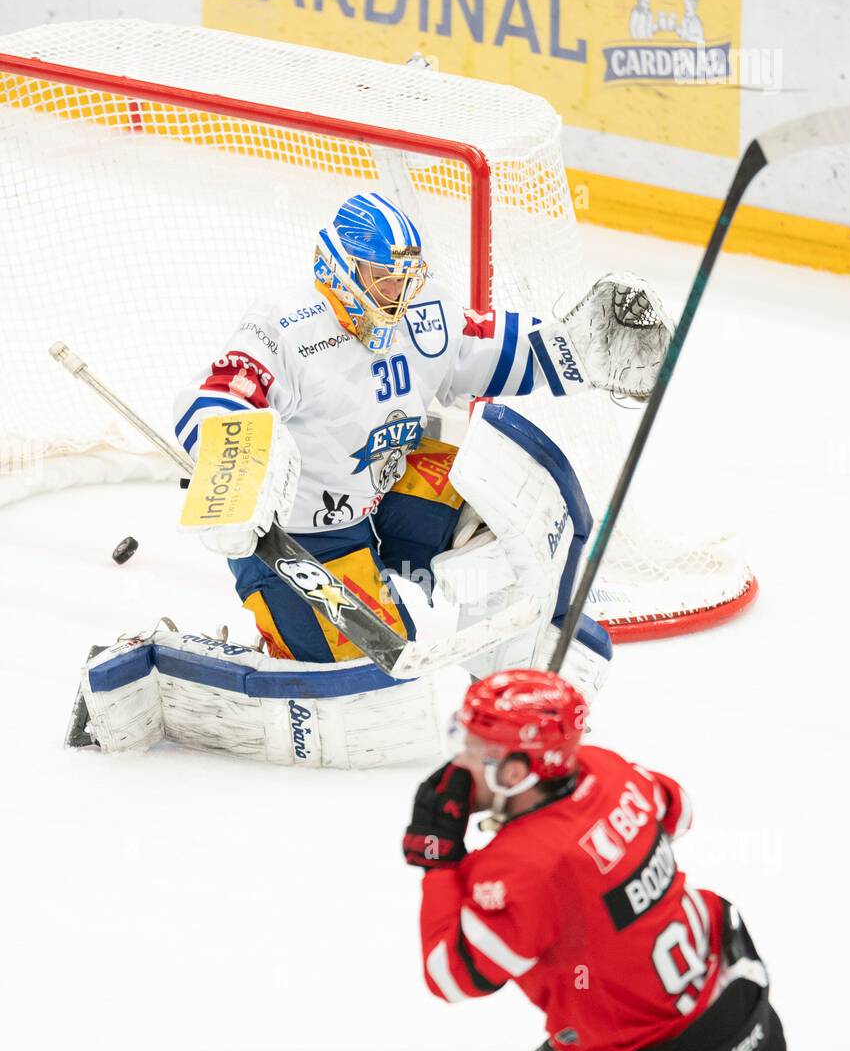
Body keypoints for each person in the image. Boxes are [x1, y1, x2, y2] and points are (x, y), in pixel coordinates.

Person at [171, 191, 670, 684]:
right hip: (300, 536)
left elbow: (485, 347)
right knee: (376, 670)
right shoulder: (284, 327)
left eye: (407, 277)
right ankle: (280, 639)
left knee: (508, 526)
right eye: (383, 277)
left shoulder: (423, 310)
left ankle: (506, 677)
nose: (399, 292)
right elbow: (218, 400)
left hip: (387, 486)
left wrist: (575, 349)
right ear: (339, 268)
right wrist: (232, 482)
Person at [403, 669, 788, 1051]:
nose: (461, 763)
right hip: (671, 1017)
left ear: (519, 772)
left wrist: (439, 862)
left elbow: (452, 976)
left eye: (479, 751)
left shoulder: (524, 869)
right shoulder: (607, 770)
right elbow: (676, 811)